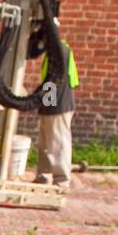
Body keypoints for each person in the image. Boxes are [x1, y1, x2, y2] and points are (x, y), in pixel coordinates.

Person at [35, 40, 79, 187]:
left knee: (58, 142)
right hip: (54, 102)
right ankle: (44, 176)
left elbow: (55, 80)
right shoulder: (57, 50)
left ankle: (61, 180)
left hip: (59, 104)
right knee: (45, 141)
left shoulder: (58, 52)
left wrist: (47, 105)